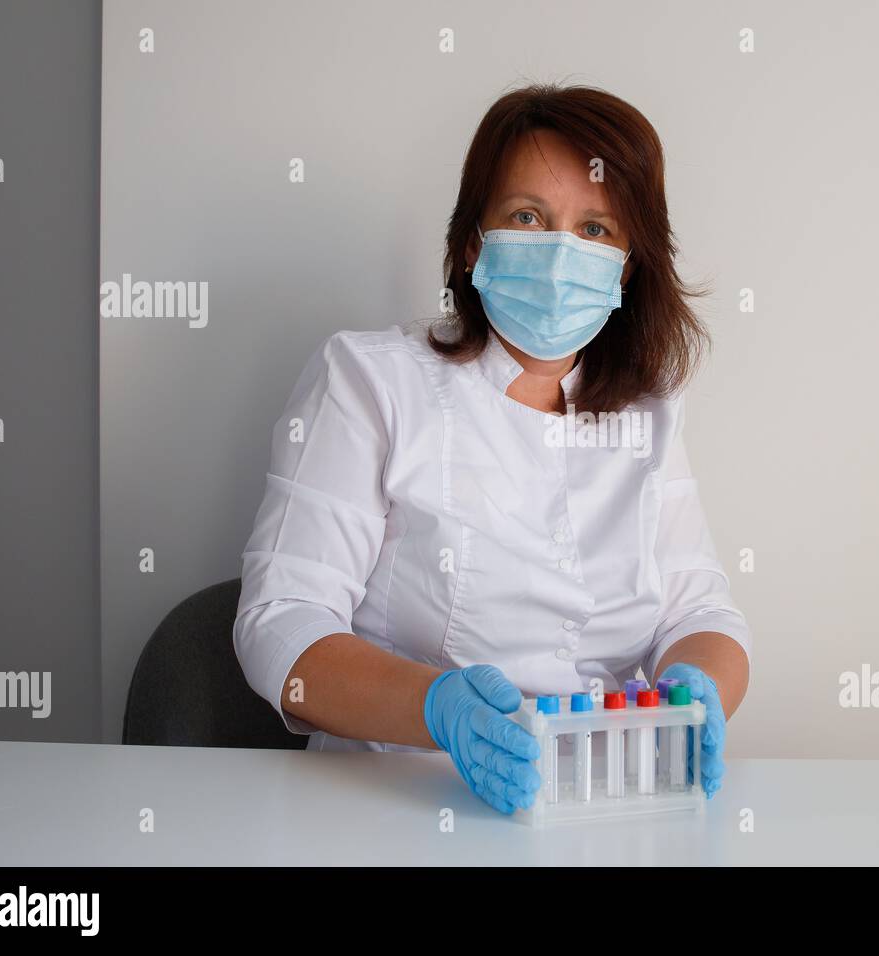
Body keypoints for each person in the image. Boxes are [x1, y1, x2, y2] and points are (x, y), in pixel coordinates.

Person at [233, 83, 751, 814]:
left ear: (628, 268)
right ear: (474, 239)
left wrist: (697, 693)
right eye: (528, 217)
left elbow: (702, 616)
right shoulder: (369, 381)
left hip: (605, 804)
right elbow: (279, 623)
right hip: (395, 801)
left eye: (596, 230)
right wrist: (436, 709)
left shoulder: (650, 414)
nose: (561, 252)